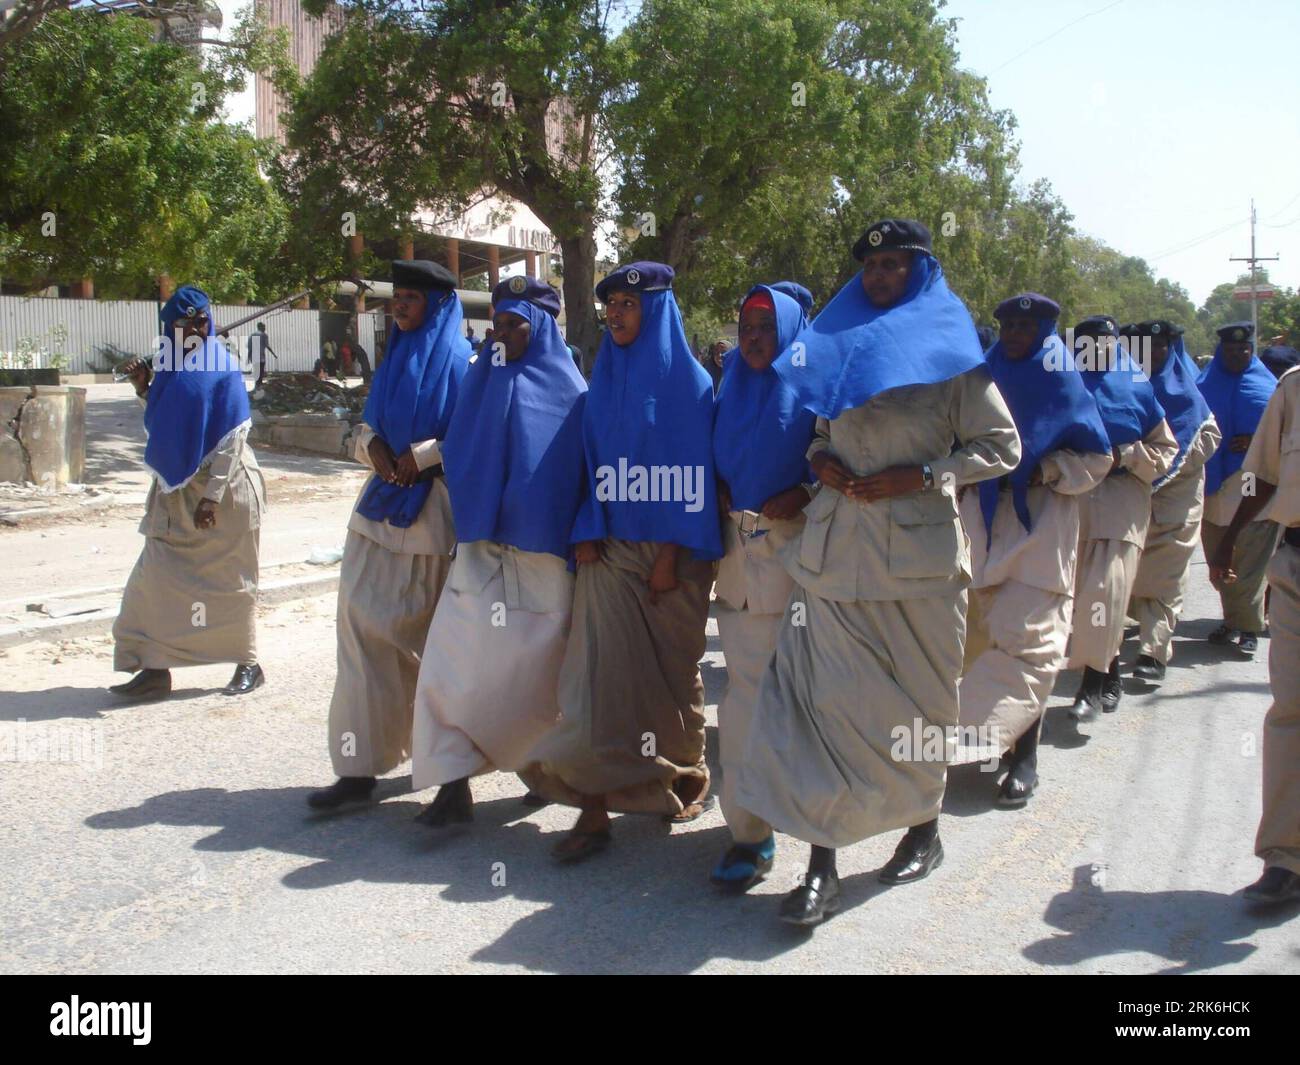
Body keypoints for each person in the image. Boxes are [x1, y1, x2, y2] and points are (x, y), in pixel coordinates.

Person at [732, 219, 1020, 927]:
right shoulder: (839, 345)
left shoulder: (955, 360)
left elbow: (1002, 445)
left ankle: (924, 827)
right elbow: (825, 430)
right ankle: (821, 866)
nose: (881, 274)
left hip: (916, 570)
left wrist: (926, 475)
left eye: (895, 262)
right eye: (872, 264)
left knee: (919, 711)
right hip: (832, 564)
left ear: (921, 269)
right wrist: (820, 460)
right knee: (822, 710)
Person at [519, 261, 723, 861]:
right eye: (610, 306)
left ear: (656, 310)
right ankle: (593, 809)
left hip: (673, 556)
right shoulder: (602, 379)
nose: (615, 315)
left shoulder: (690, 384)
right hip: (609, 550)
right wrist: (586, 528)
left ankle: (684, 773)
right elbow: (586, 463)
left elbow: (695, 478)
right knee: (597, 682)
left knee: (670, 678)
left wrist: (668, 556)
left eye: (628, 305)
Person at [409, 276, 588, 826]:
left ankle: (539, 768)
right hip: (481, 549)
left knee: (535, 673)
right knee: (453, 661)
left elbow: (582, 472)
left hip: (542, 559)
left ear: (543, 328)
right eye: (499, 323)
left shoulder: (573, 393)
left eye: (516, 324)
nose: (504, 334)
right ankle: (451, 781)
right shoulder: (480, 380)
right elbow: (458, 445)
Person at [307, 261, 470, 811]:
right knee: (359, 632)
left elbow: (474, 437)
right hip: (376, 516)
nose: (398, 307)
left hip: (433, 521)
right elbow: (368, 423)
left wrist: (422, 457)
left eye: (409, 299)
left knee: (431, 648)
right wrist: (371, 445)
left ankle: (453, 779)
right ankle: (360, 767)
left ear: (438, 305)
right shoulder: (396, 356)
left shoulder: (462, 362)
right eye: (395, 297)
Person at [954, 294, 1111, 806]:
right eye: (1009, 324)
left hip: (1040, 527)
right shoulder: (982, 379)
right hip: (981, 522)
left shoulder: (1063, 382)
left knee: (1028, 644)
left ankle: (1025, 759)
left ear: (1046, 330)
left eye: (1027, 324)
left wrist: (1045, 471)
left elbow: (1097, 458)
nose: (1015, 332)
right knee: (979, 641)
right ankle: (984, 738)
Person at [708, 281, 818, 891]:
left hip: (802, 572)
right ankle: (749, 834)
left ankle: (817, 830)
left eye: (766, 329)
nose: (753, 340)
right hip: (740, 572)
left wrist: (804, 491)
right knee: (744, 702)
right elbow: (709, 458)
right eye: (746, 328)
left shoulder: (817, 391)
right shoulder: (729, 391)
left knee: (804, 704)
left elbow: (842, 466)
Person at [110, 285, 267, 700]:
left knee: (231, 582)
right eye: (187, 323)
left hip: (225, 490)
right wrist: (144, 387)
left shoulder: (221, 366)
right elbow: (165, 430)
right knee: (153, 579)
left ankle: (249, 663)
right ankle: (154, 667)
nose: (197, 329)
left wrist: (211, 497)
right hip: (175, 491)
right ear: (170, 327)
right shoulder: (168, 367)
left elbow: (233, 437)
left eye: (202, 321)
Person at [1208, 364, 1300, 904]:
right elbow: (1260, 475)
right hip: (1295, 563)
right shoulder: (1292, 388)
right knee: (1290, 714)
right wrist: (1230, 543)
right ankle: (1287, 859)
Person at [1065, 315, 1177, 719]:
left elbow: (1166, 450)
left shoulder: (1136, 386)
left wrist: (1129, 456)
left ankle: (1090, 689)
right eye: (1090, 343)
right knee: (1080, 600)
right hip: (1070, 505)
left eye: (1107, 342)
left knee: (1105, 593)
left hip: (1120, 506)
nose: (1099, 350)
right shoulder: (1062, 384)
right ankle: (1108, 670)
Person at [1127, 321, 1221, 681]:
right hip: (1130, 500)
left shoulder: (1188, 396)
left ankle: (1153, 653)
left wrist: (1157, 463)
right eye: (1141, 347)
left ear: (1171, 349)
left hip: (1175, 503)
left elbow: (1207, 439)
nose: (1149, 355)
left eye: (1158, 346)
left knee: (1163, 577)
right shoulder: (1121, 390)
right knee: (1128, 576)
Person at [1198, 322, 1279, 658]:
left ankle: (1248, 627)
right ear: (1221, 352)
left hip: (1251, 481)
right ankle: (1233, 619)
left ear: (1251, 350)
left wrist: (1255, 440)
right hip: (1214, 484)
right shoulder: (1204, 383)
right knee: (1218, 553)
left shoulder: (1270, 387)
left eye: (1243, 350)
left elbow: (1282, 429)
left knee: (1250, 554)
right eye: (1230, 351)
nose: (1236, 356)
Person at [249, 322, 277, 388]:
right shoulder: (264, 335)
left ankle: (257, 385)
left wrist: (249, 357)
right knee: (261, 371)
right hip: (261, 357)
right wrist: (273, 354)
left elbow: (250, 346)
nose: (265, 329)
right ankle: (259, 384)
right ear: (260, 327)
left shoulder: (253, 335)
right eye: (264, 327)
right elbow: (267, 346)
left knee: (256, 371)